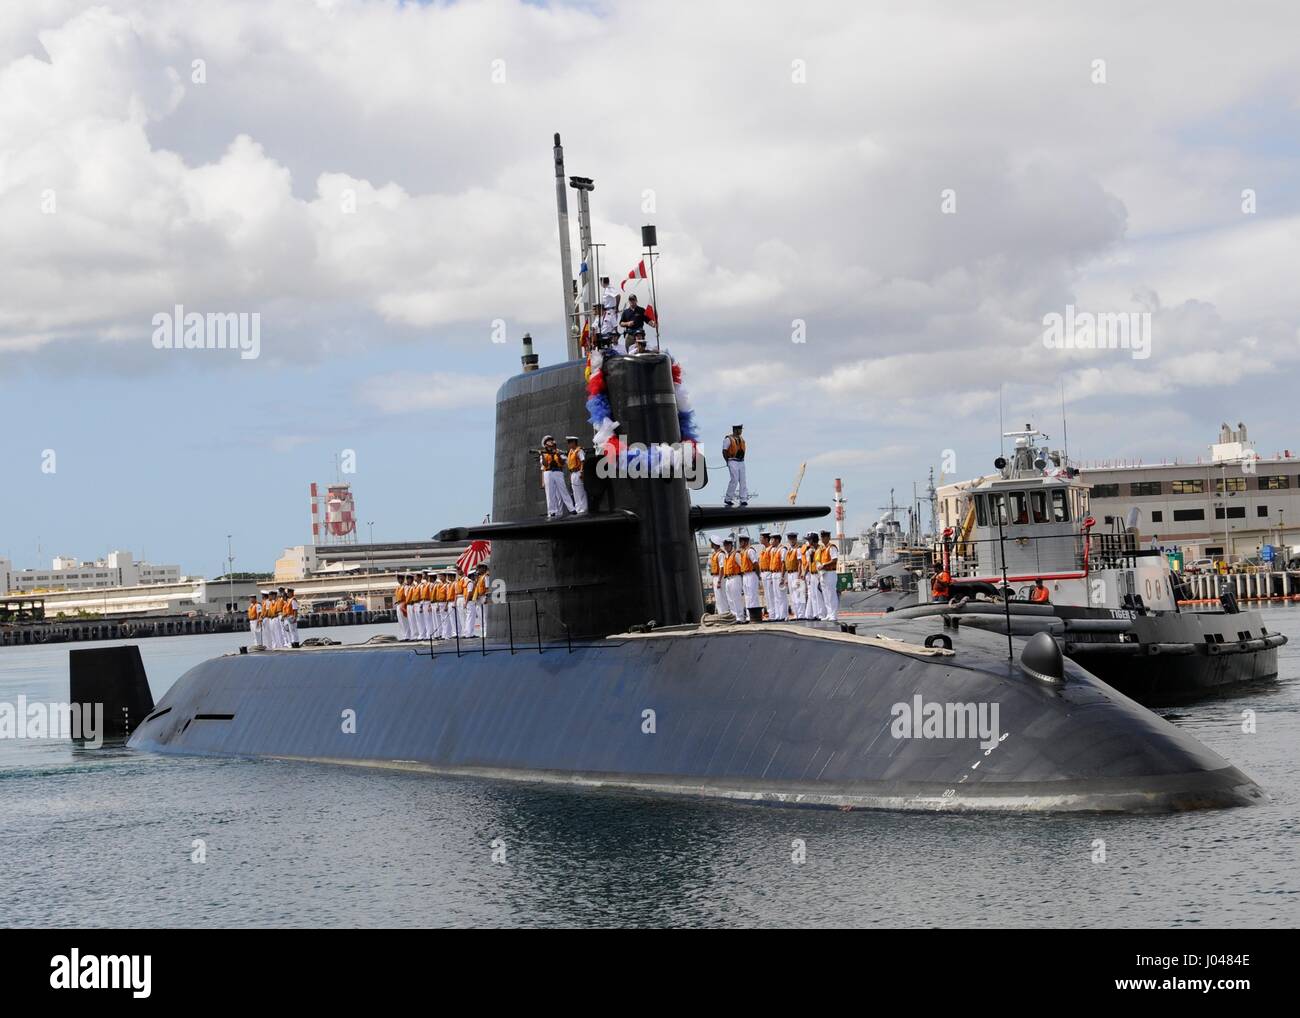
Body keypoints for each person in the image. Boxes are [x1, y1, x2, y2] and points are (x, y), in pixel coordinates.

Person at [539, 435, 575, 518]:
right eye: (549, 441)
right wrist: (543, 456)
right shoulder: (543, 453)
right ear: (545, 444)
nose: (551, 441)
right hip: (548, 473)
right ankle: (552, 511)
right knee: (549, 493)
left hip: (558, 472)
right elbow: (544, 464)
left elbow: (563, 463)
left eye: (551, 440)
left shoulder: (558, 451)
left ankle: (571, 508)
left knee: (563, 490)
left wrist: (558, 454)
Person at [722, 425, 747, 506]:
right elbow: (724, 451)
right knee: (734, 480)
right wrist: (727, 461)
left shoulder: (741, 439)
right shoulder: (728, 439)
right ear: (735, 430)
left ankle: (743, 499)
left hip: (741, 461)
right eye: (739, 429)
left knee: (743, 480)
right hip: (732, 461)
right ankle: (728, 498)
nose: (741, 431)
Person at [739, 534, 761, 623]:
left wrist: (757, 575)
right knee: (747, 596)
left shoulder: (750, 551)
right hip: (745, 575)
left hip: (751, 574)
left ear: (745, 542)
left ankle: (754, 616)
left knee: (752, 596)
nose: (740, 543)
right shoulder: (743, 552)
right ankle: (749, 616)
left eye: (741, 541)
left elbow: (756, 564)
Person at [817, 530, 839, 621]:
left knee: (831, 594)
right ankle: (829, 613)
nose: (823, 539)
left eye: (825, 537)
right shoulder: (822, 549)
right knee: (825, 594)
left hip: (830, 572)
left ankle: (833, 614)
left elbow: (834, 560)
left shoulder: (831, 547)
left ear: (828, 538)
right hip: (823, 573)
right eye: (822, 537)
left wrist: (824, 565)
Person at [803, 533, 825, 620]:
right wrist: (804, 574)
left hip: (818, 574)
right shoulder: (810, 551)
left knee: (819, 595)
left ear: (812, 540)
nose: (808, 542)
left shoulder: (821, 549)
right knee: (814, 596)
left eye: (809, 540)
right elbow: (809, 564)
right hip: (812, 574)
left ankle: (821, 614)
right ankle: (816, 613)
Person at [721, 537, 743, 621]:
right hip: (728, 579)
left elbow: (742, 566)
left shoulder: (736, 554)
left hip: (735, 578)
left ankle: (740, 617)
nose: (726, 547)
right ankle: (734, 616)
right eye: (725, 546)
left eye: (727, 545)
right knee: (730, 599)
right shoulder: (726, 556)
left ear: (731, 545)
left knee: (736, 598)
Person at [708, 536, 729, 616]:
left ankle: (725, 614)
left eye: (712, 543)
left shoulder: (721, 554)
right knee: (718, 598)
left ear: (714, 544)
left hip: (719, 577)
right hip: (715, 577)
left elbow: (722, 568)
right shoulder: (715, 554)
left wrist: (719, 580)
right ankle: (721, 614)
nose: (711, 544)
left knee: (722, 596)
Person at [566, 437, 588, 514]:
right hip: (572, 473)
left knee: (580, 491)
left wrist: (581, 471)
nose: (569, 444)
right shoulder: (571, 451)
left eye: (570, 442)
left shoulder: (579, 450)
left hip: (578, 471)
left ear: (574, 442)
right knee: (575, 492)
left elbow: (582, 460)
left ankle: (584, 508)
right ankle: (578, 507)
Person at [784, 533, 803, 620]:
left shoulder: (798, 549)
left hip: (796, 573)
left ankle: (801, 614)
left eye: (793, 538)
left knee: (799, 594)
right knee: (792, 595)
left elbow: (800, 563)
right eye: (790, 539)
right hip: (790, 573)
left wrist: (799, 576)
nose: (791, 540)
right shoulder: (789, 550)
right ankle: (796, 613)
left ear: (795, 539)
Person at [467, 564, 489, 637]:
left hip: (483, 597)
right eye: (478, 568)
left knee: (484, 616)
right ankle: (482, 632)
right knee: (480, 616)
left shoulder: (486, 577)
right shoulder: (479, 578)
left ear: (484, 568)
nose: (478, 570)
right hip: (479, 598)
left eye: (479, 568)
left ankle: (486, 632)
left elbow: (487, 588)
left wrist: (486, 597)